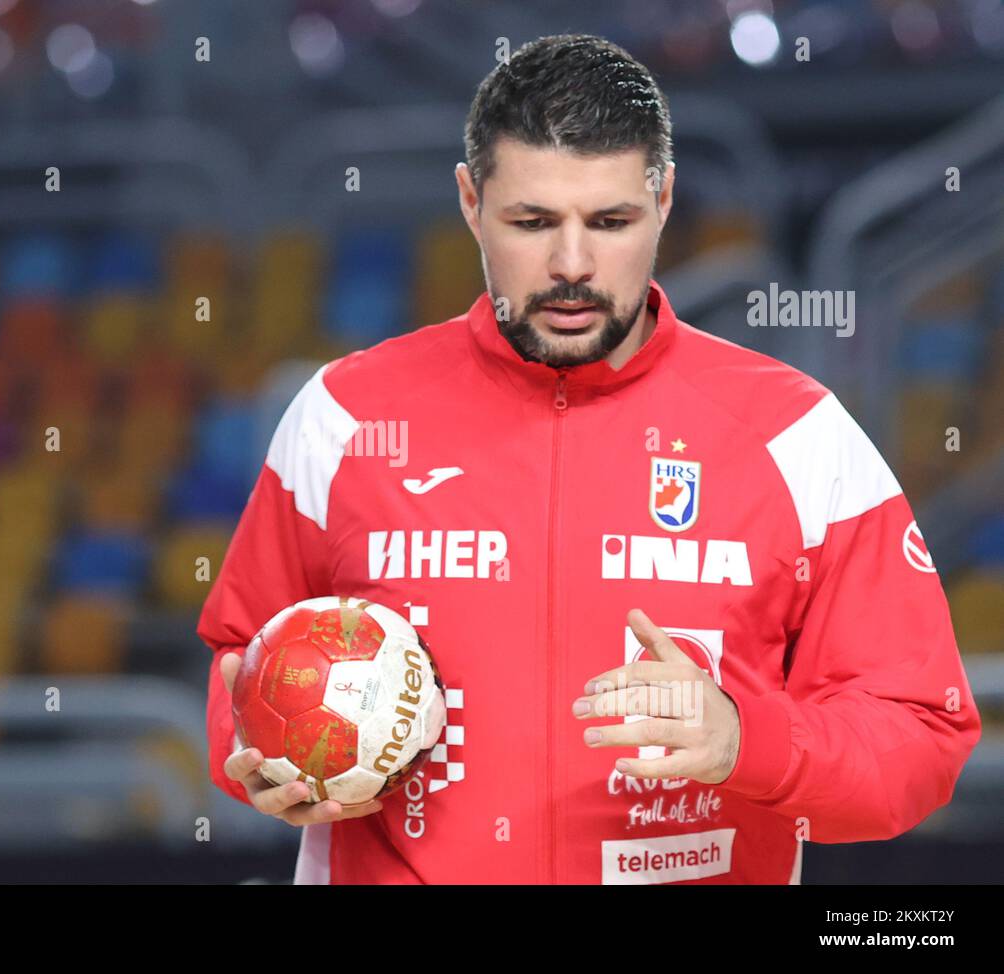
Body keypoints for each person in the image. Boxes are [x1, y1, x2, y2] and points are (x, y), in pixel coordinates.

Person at [197, 33, 981, 884]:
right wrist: (257, 751)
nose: (572, 266)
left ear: (665, 198)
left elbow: (920, 738)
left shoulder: (798, 436)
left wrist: (745, 740)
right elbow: (243, 659)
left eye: (610, 222)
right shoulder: (345, 417)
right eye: (532, 223)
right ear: (470, 200)